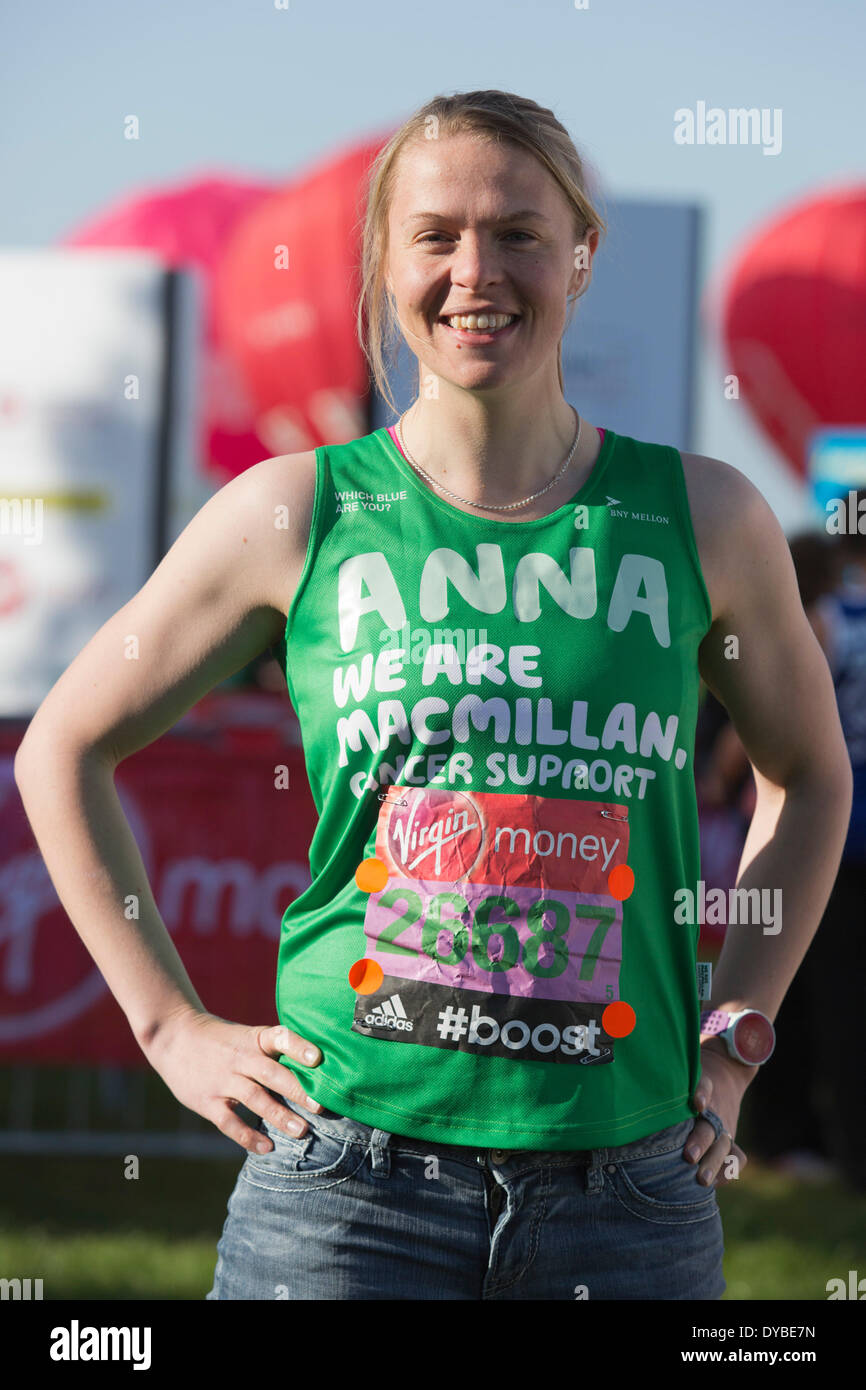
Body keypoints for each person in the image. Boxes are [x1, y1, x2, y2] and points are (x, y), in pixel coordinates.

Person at [14, 89, 852, 1301]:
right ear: (381, 261)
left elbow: (810, 774)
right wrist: (167, 1026)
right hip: (345, 1187)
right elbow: (64, 748)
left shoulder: (704, 517)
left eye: (517, 232)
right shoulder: (291, 511)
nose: (477, 271)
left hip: (626, 1194)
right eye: (436, 234)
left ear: (579, 254)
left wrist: (737, 1030)